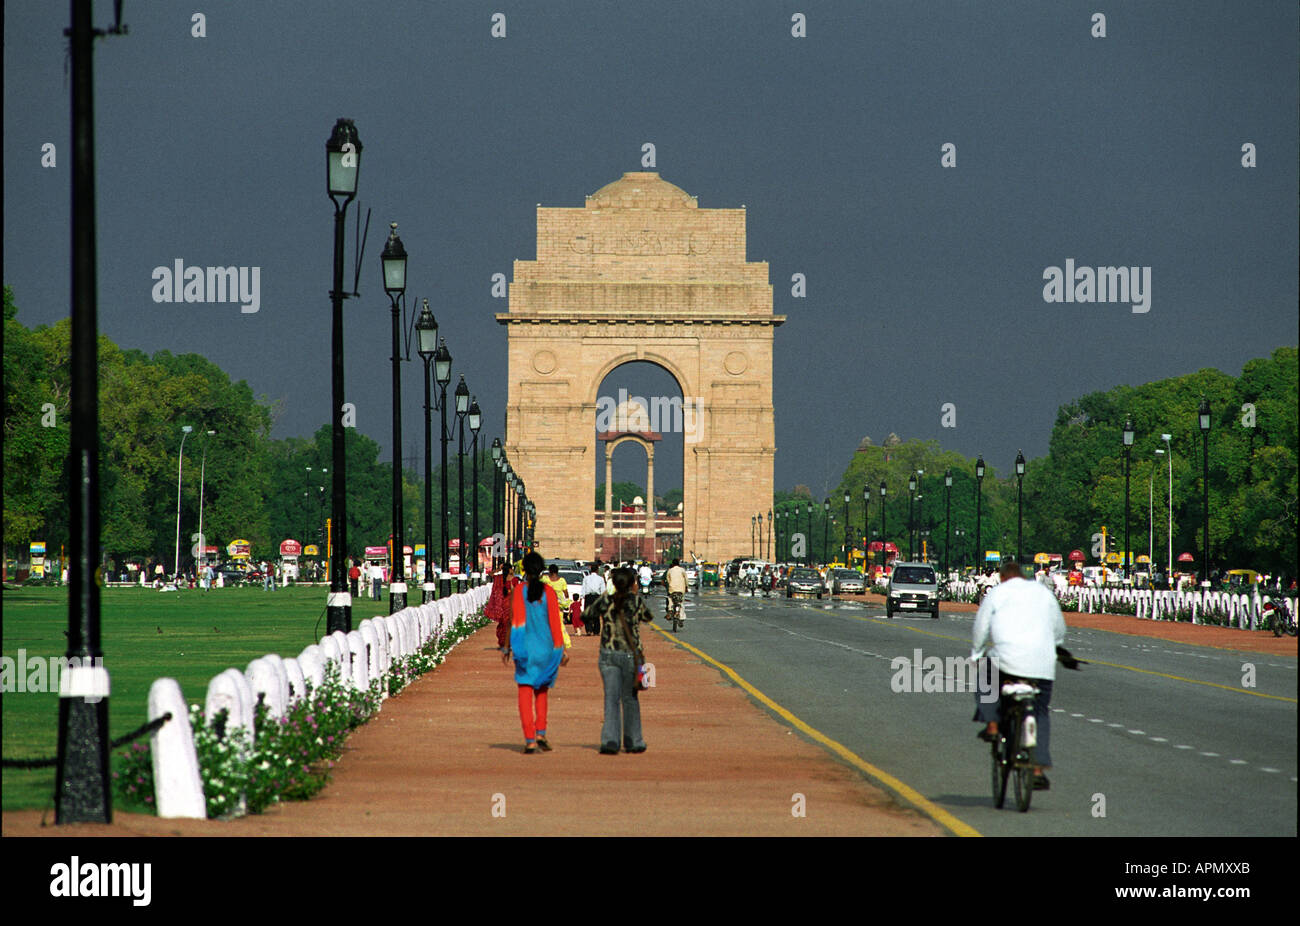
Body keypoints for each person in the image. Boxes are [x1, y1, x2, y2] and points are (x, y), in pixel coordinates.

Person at [971, 556, 1067, 791]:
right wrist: (1053, 645)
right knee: (1041, 711)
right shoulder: (1043, 593)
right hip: (1042, 667)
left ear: (1002, 577)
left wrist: (977, 653)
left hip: (1006, 663)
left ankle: (992, 724)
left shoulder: (997, 593)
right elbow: (1059, 630)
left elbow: (981, 627)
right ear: (1023, 577)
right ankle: (1037, 768)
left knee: (986, 675)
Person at [503, 551, 569, 754]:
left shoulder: (518, 591)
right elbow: (555, 623)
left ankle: (530, 739)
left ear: (524, 569)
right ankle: (541, 732)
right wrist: (561, 649)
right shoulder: (548, 592)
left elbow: (515, 622)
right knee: (541, 692)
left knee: (525, 692)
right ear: (542, 570)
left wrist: (507, 647)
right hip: (546, 649)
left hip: (525, 649)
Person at [584, 566, 655, 754]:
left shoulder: (606, 601)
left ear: (613, 583)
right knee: (630, 699)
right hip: (631, 655)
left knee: (611, 699)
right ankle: (634, 741)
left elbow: (586, 614)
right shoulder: (636, 602)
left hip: (608, 653)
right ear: (633, 584)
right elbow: (649, 617)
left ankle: (610, 742)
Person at [665, 558, 687, 624]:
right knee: (681, 603)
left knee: (670, 599)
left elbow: (668, 579)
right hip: (681, 589)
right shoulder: (682, 570)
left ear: (673, 564)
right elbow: (686, 579)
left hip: (672, 589)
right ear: (678, 564)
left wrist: (670, 585)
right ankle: (681, 617)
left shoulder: (670, 570)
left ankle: (670, 610)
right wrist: (686, 587)